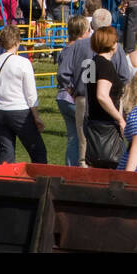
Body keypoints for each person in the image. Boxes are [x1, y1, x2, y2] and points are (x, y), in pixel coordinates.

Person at [0, 26, 46, 164]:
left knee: (6, 152)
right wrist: (36, 117)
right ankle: (40, 179)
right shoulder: (23, 63)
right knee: (38, 151)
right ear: (17, 42)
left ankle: (4, 181)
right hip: (19, 111)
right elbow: (30, 94)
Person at [83, 26, 126, 168]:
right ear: (112, 44)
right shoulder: (105, 65)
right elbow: (102, 96)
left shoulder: (91, 62)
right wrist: (120, 119)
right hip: (106, 124)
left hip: (93, 120)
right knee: (114, 166)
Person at [55, 15, 91, 166]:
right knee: (83, 137)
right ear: (82, 32)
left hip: (63, 98)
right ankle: (78, 167)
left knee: (73, 137)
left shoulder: (65, 48)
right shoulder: (76, 48)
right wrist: (72, 89)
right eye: (88, 30)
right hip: (72, 98)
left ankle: (71, 167)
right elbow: (63, 73)